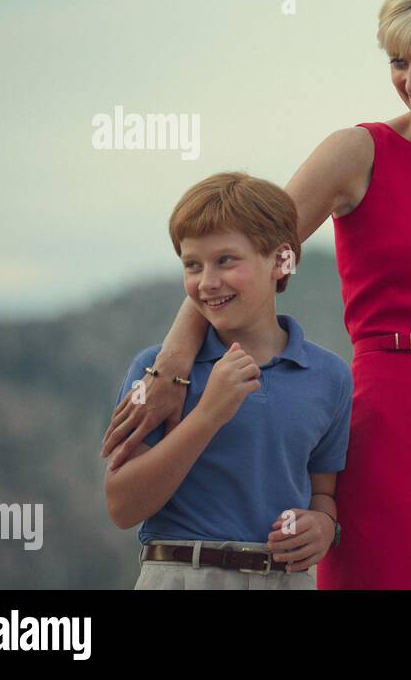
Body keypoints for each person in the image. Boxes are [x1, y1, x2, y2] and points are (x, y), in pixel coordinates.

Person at [101, 0, 411, 589]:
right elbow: (246, 252)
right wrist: (174, 366)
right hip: (389, 434)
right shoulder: (358, 153)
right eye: (398, 61)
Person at [104, 172, 352, 589]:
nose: (207, 282)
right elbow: (123, 506)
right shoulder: (157, 374)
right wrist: (207, 416)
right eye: (192, 265)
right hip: (181, 576)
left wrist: (324, 525)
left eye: (226, 260)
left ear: (281, 261)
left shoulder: (329, 377)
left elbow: (323, 492)